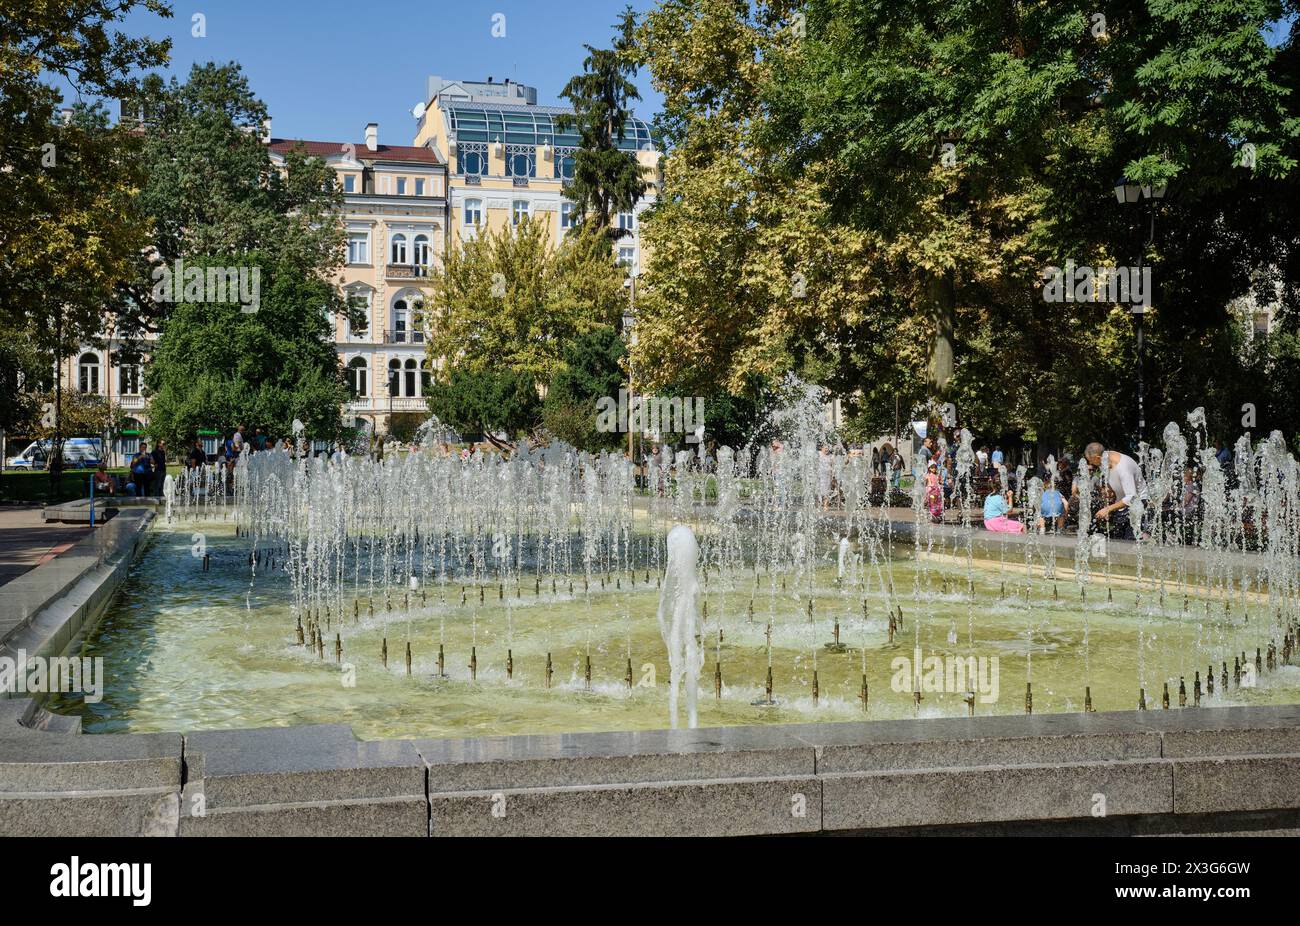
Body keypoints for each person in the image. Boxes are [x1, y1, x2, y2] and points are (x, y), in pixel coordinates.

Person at [1083, 441, 1146, 540]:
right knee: (1118, 540)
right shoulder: (1105, 459)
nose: (1090, 463)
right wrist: (1109, 492)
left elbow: (1131, 497)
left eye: (1091, 461)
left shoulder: (1123, 467)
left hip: (1139, 504)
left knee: (1130, 542)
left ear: (1097, 458)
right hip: (1122, 505)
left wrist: (1108, 509)